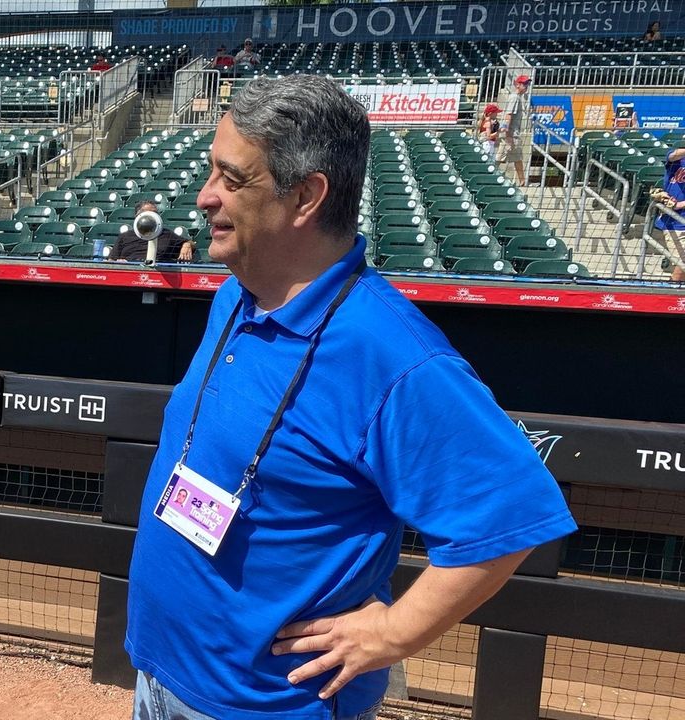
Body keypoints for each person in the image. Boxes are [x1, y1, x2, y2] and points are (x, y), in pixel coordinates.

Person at [125, 74, 576, 720]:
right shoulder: (236, 295)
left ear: (305, 197)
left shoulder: (390, 352)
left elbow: (508, 515)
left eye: (233, 179)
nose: (205, 197)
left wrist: (395, 635)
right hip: (162, 677)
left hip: (265, 708)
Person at [110, 200, 196, 263]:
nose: (152, 217)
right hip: (130, 271)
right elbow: (111, 260)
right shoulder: (125, 236)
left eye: (155, 213)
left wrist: (187, 245)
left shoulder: (166, 234)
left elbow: (190, 242)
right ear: (138, 216)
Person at [651, 144, 685, 281]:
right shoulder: (677, 159)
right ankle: (670, 294)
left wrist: (681, 204)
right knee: (683, 262)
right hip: (675, 223)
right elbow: (672, 156)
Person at [497, 74, 532, 186]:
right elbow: (508, 116)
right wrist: (508, 136)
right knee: (499, 158)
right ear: (517, 85)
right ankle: (488, 178)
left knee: (517, 158)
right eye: (524, 84)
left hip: (512, 134)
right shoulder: (514, 98)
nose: (526, 86)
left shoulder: (517, 98)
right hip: (511, 134)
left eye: (527, 84)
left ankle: (522, 182)